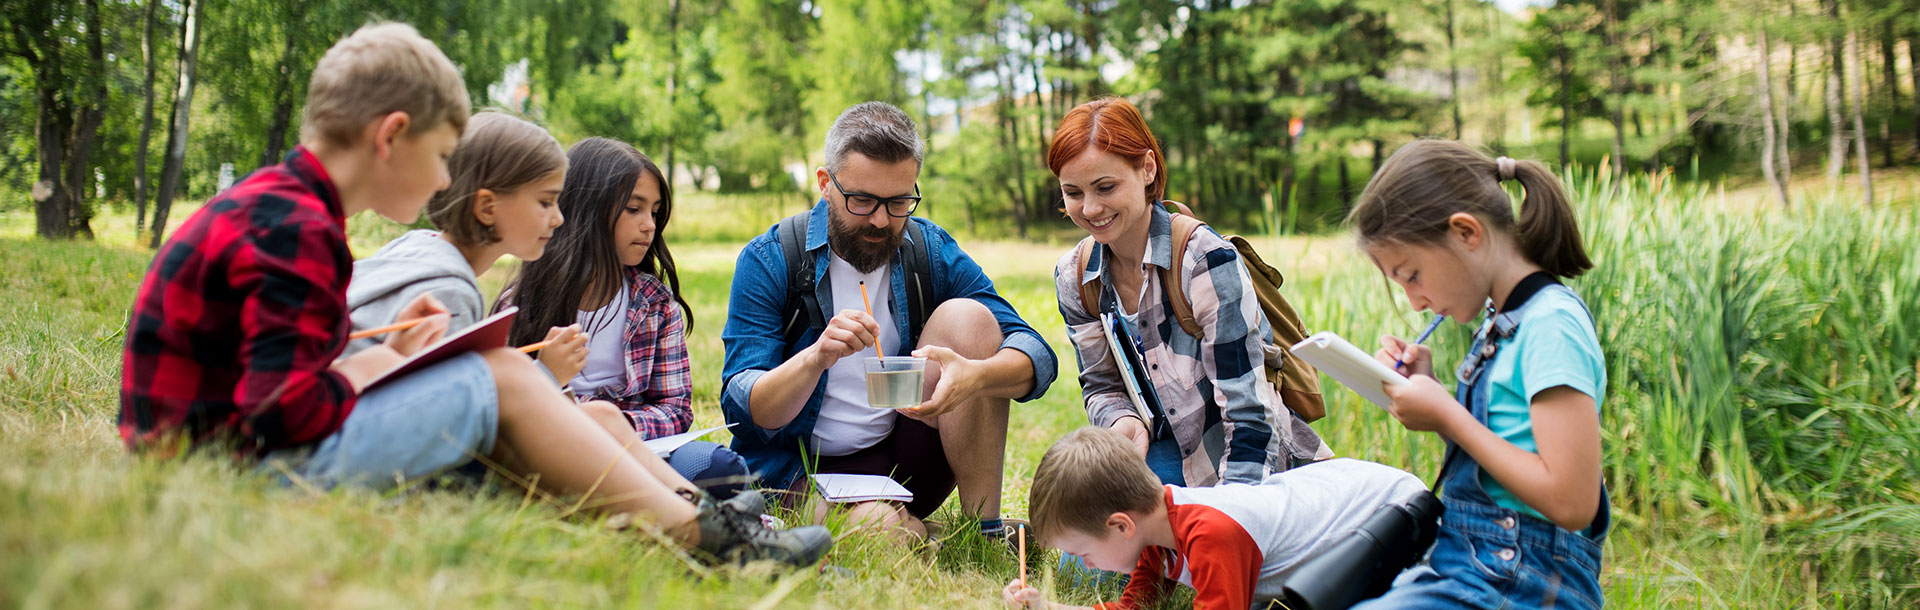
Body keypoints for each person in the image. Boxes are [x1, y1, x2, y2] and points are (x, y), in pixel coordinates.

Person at [116, 23, 828, 567]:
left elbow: (272, 376)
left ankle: (695, 519)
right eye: (440, 156)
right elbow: (281, 414)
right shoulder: (298, 229)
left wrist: (388, 353)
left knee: (512, 373)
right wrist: (374, 368)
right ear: (392, 136)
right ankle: (700, 535)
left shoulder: (282, 206)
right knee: (505, 376)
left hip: (214, 450)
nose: (439, 184)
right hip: (228, 469)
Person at [721, 101, 1058, 542]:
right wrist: (815, 358)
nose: (881, 220)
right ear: (826, 184)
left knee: (970, 317)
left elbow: (1035, 352)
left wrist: (977, 375)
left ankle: (984, 531)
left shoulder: (927, 249)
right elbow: (745, 412)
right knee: (881, 534)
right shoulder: (771, 259)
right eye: (862, 200)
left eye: (899, 201)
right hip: (798, 472)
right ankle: (915, 532)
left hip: (904, 463)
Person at [1349, 140, 1609, 609]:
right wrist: (1437, 393)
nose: (1415, 301)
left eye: (1412, 275)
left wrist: (1450, 416)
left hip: (1527, 579)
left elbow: (1572, 502)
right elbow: (1509, 453)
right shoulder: (1503, 321)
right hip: (1471, 563)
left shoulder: (1551, 325)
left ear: (1466, 233)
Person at [495, 137, 750, 499]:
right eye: (634, 209)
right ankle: (683, 511)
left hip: (642, 449)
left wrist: (619, 427)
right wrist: (554, 384)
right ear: (587, 210)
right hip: (553, 448)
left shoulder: (654, 302)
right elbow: (504, 411)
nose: (649, 225)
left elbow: (675, 410)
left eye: (655, 212)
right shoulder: (520, 307)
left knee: (718, 468)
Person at [1000, 427, 1428, 610]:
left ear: (1120, 525)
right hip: (1346, 499)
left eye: (1083, 553)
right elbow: (1137, 607)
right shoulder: (1155, 533)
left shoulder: (1212, 534)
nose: (1086, 563)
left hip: (1391, 516)